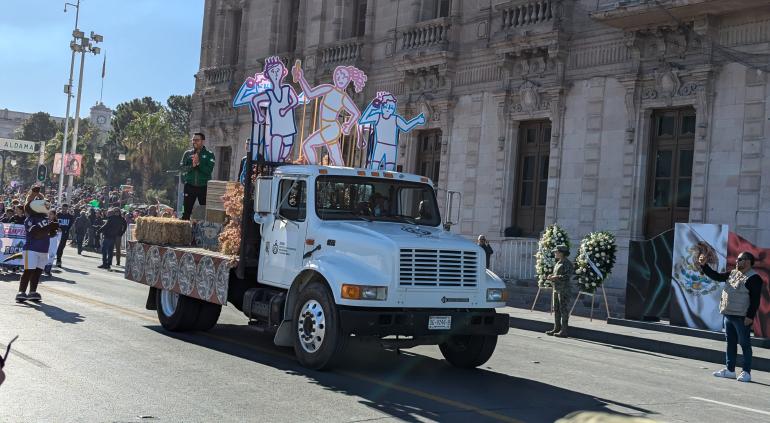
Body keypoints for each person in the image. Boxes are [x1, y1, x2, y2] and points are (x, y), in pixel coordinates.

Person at [699, 252, 763, 383]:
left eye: (739, 259)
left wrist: (750, 316)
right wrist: (704, 265)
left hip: (742, 317)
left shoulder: (754, 278)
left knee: (745, 344)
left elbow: (755, 300)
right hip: (728, 314)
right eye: (737, 259)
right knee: (731, 343)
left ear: (748, 261)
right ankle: (730, 370)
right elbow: (716, 276)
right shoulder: (733, 273)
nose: (736, 261)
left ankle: (746, 372)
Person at [16, 198, 58, 303]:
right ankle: (21, 291)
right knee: (28, 271)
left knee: (38, 272)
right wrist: (49, 227)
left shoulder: (46, 218)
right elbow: (36, 234)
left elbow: (50, 234)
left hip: (44, 249)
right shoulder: (30, 219)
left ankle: (32, 292)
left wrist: (54, 228)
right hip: (31, 249)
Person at [179, 132, 215, 220]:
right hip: (189, 186)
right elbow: (182, 169)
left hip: (203, 186)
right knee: (186, 211)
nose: (194, 142)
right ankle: (185, 227)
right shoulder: (187, 154)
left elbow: (208, 171)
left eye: (197, 140)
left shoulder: (210, 154)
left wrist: (199, 163)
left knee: (204, 211)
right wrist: (192, 166)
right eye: (193, 140)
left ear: (203, 141)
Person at [546, 244, 574, 338]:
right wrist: (551, 276)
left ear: (562, 253)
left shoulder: (567, 263)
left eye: (556, 251)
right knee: (556, 309)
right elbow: (557, 274)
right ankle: (557, 328)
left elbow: (567, 276)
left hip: (563, 290)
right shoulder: (558, 262)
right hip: (556, 289)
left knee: (563, 309)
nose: (555, 253)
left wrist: (556, 277)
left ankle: (564, 330)